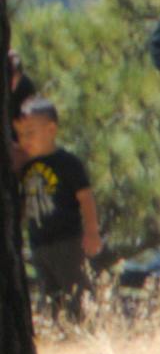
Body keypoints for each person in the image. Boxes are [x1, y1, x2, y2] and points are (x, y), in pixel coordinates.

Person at [10, 78, 100, 321]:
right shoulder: (25, 166)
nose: (24, 140)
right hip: (38, 243)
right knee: (48, 292)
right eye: (19, 135)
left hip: (67, 240)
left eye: (30, 133)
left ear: (51, 130)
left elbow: (86, 198)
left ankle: (85, 323)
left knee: (74, 287)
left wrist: (92, 231)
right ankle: (59, 328)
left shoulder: (67, 163)